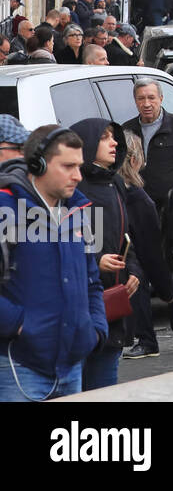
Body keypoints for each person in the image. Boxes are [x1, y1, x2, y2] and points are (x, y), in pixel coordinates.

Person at [0, 125, 106, 401]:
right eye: (68, 166)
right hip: (19, 369)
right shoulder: (6, 210)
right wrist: (20, 325)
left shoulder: (78, 211)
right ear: (38, 163)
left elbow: (92, 282)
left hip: (72, 369)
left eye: (79, 166)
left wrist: (94, 329)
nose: (78, 176)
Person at [121, 79, 173, 358]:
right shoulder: (126, 131)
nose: (147, 103)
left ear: (161, 98)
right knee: (137, 279)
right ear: (135, 101)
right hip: (136, 218)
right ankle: (146, 341)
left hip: (170, 219)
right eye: (141, 98)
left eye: (151, 98)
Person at [69, 119, 140, 391]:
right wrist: (96, 260)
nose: (115, 143)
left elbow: (127, 237)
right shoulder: (73, 188)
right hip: (82, 308)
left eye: (115, 137)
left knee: (105, 390)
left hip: (114, 308)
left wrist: (134, 270)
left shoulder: (116, 184)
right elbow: (62, 240)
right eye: (105, 138)